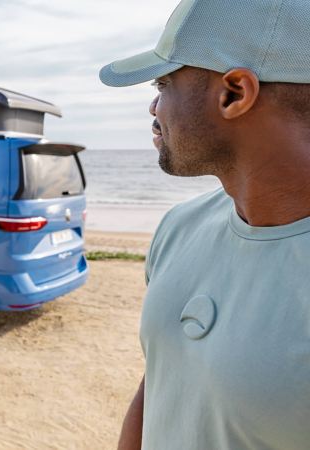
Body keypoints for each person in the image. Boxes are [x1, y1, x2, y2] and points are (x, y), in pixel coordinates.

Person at [100, 0, 310, 448]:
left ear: (234, 93)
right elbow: (160, 380)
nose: (153, 106)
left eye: (164, 82)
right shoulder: (178, 228)